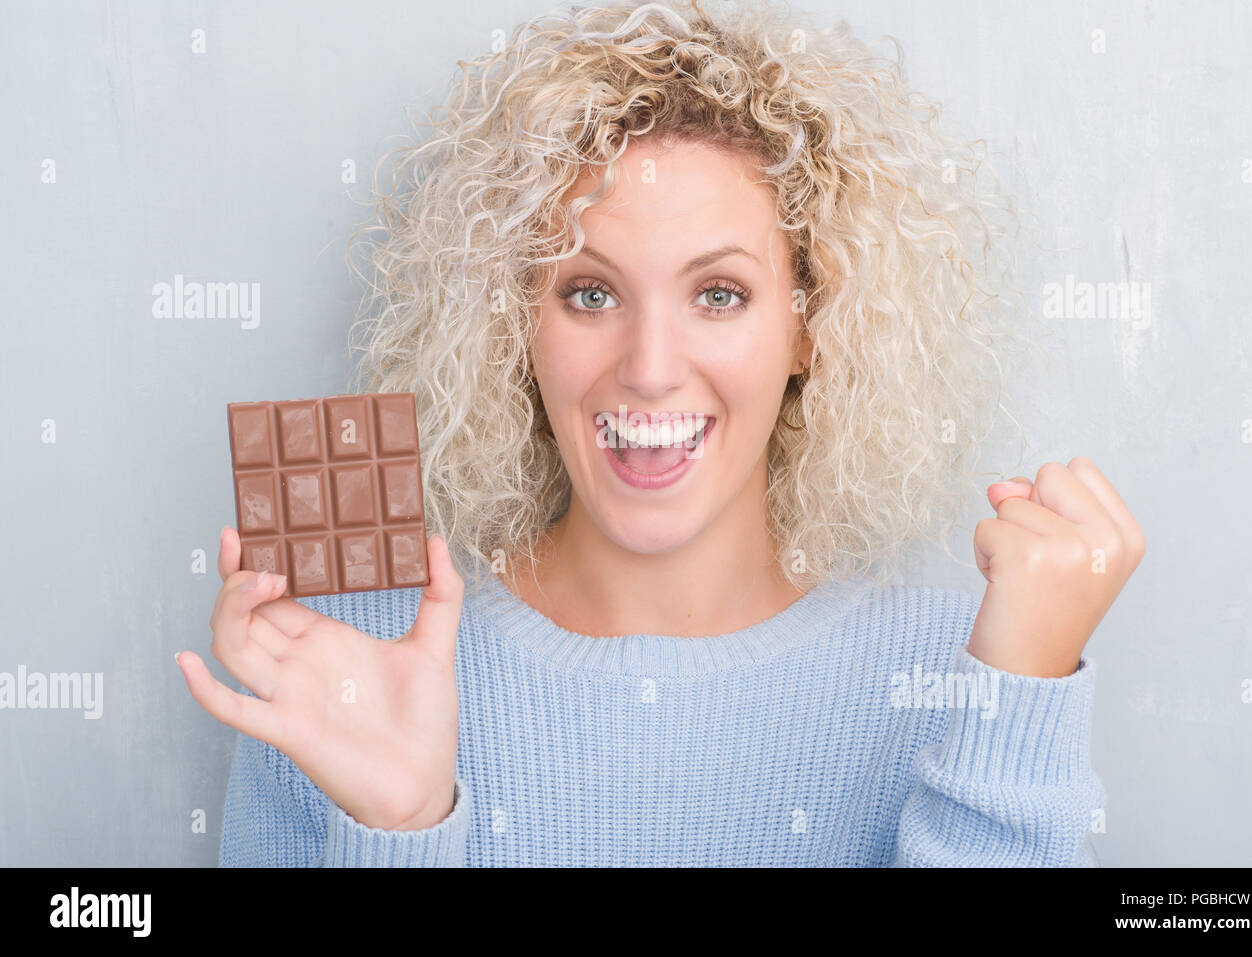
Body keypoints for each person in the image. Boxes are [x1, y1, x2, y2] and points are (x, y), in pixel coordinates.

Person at [177, 0, 1144, 866]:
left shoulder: (969, 669)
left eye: (718, 294)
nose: (648, 366)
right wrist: (400, 828)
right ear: (514, 324)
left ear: (812, 325)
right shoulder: (350, 660)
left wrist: (1017, 693)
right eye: (589, 293)